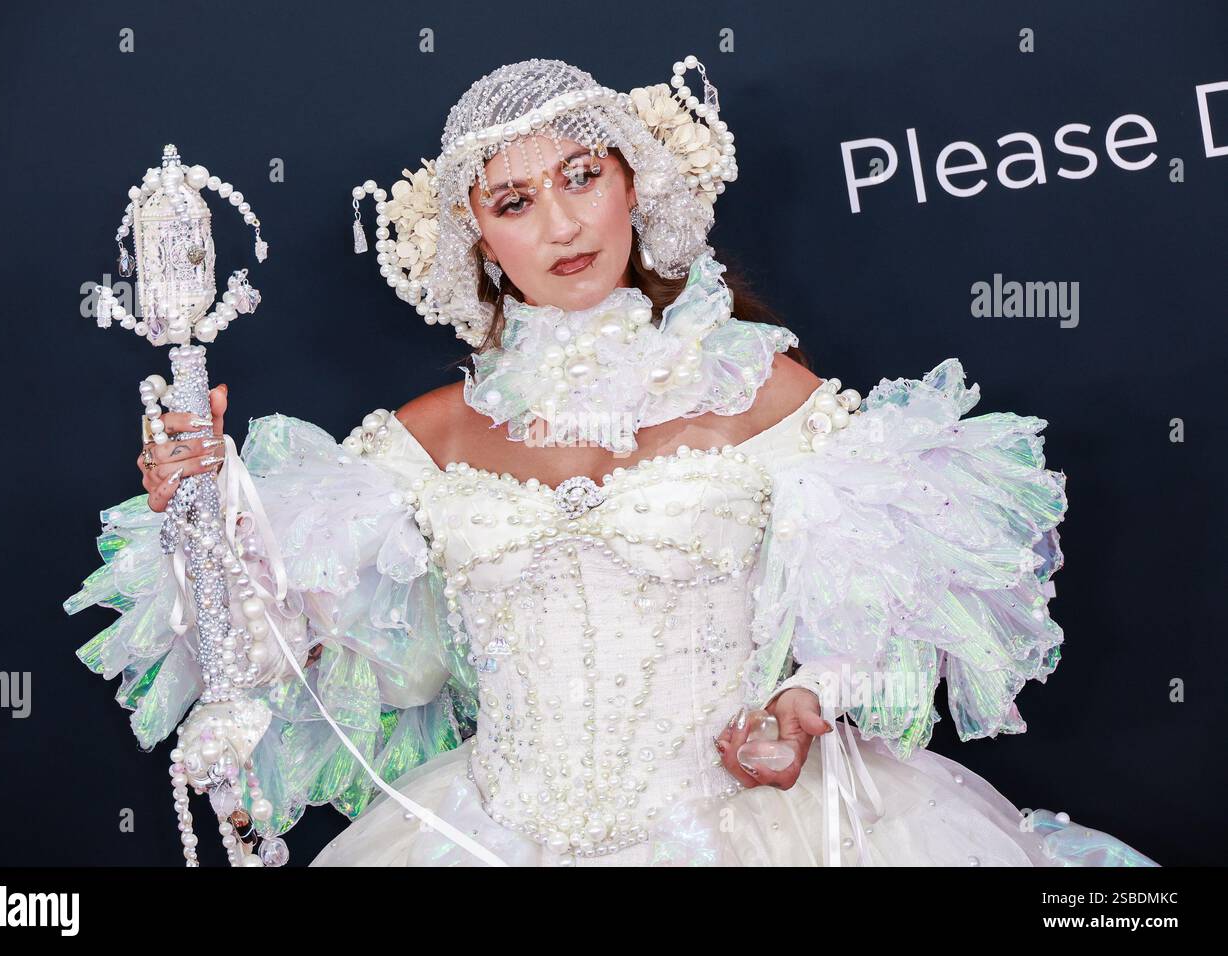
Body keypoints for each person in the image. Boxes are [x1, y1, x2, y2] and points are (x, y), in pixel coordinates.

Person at [66, 56, 1158, 867]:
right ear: (477, 241)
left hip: (763, 831)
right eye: (513, 201)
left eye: (581, 176)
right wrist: (200, 520)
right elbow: (281, 659)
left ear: (634, 184)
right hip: (491, 833)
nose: (560, 220)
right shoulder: (424, 437)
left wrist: (803, 707)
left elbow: (894, 610)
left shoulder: (763, 392)